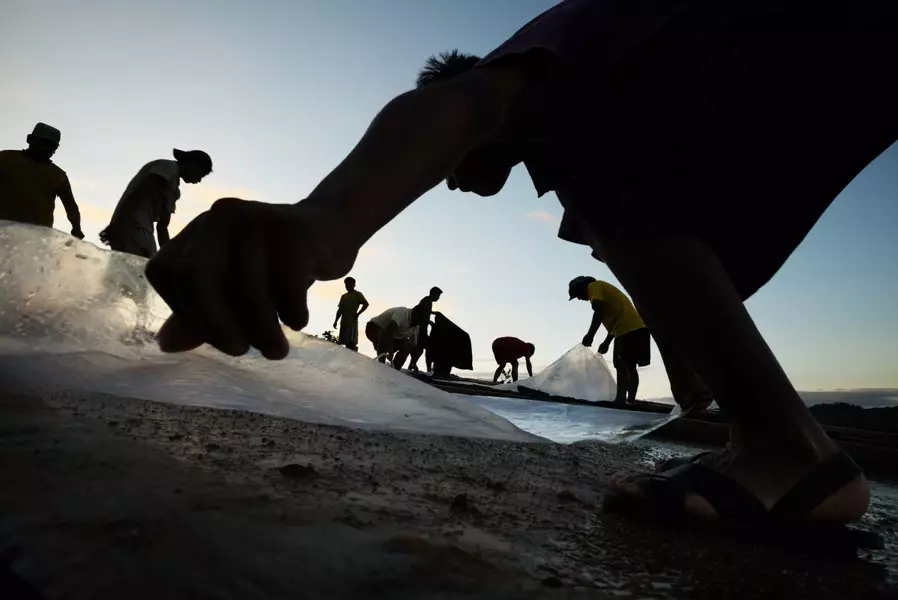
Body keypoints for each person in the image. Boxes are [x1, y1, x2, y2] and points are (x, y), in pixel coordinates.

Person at [145, 0, 896, 542]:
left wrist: (330, 217)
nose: (451, 180)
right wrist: (693, 369)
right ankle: (772, 439)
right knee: (622, 208)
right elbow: (652, 246)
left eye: (451, 169)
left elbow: (462, 106)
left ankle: (792, 451)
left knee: (610, 200)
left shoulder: (540, 65)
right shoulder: (603, 147)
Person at [100, 149, 213, 258]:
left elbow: (162, 226)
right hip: (134, 228)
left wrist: (168, 257)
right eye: (201, 174)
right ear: (193, 164)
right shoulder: (168, 167)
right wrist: (116, 225)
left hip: (141, 230)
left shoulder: (173, 188)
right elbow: (140, 192)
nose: (199, 180)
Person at [569, 276, 650, 404]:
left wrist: (590, 335)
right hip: (638, 328)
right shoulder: (603, 289)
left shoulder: (594, 286)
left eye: (577, 295)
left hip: (627, 329)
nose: (579, 298)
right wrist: (607, 342)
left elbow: (599, 312)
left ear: (582, 287)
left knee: (621, 364)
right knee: (630, 365)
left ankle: (620, 400)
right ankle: (631, 400)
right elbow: (617, 319)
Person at [0, 123, 83, 239]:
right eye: (45, 143)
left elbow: (70, 205)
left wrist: (76, 228)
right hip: (3, 229)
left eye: (54, 146)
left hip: (37, 238)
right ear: (30, 139)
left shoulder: (58, 175)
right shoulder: (5, 159)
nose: (48, 149)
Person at [409, 286, 442, 372]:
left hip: (422, 329)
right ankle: (415, 365)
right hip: (420, 329)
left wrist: (433, 314)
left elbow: (425, 313)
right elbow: (422, 312)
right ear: (434, 294)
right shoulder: (427, 301)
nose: (438, 298)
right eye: (438, 295)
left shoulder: (427, 301)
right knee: (425, 348)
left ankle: (412, 364)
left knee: (420, 349)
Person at [333, 276, 369, 351]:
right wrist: (336, 321)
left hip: (352, 323)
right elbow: (340, 310)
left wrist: (358, 314)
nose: (347, 286)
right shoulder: (343, 296)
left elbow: (366, 304)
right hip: (343, 323)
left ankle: (352, 359)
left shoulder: (357, 294)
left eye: (350, 284)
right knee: (342, 343)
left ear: (354, 285)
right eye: (346, 284)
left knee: (351, 344)